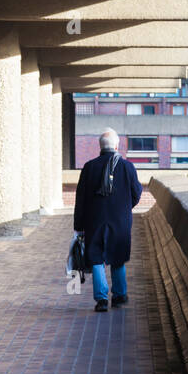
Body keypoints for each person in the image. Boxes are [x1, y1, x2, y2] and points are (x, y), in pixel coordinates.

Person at [73, 128, 143, 312]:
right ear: (117, 145)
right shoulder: (127, 167)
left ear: (100, 146)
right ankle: (119, 296)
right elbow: (136, 193)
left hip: (94, 221)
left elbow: (80, 199)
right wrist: (125, 208)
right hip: (120, 221)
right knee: (117, 257)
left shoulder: (89, 167)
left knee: (96, 258)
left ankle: (101, 300)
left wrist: (78, 226)